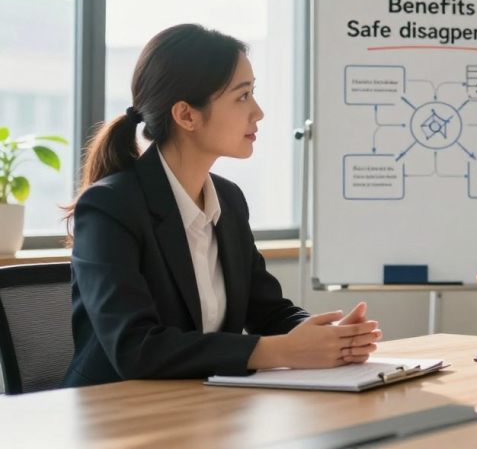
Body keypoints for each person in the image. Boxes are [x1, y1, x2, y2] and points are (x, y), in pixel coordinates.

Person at [62, 24, 382, 387]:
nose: (258, 112)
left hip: (203, 406)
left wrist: (326, 336)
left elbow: (266, 310)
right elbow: (136, 348)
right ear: (186, 115)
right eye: (242, 96)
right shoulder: (109, 207)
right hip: (112, 416)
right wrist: (283, 351)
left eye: (253, 93)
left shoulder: (228, 200)